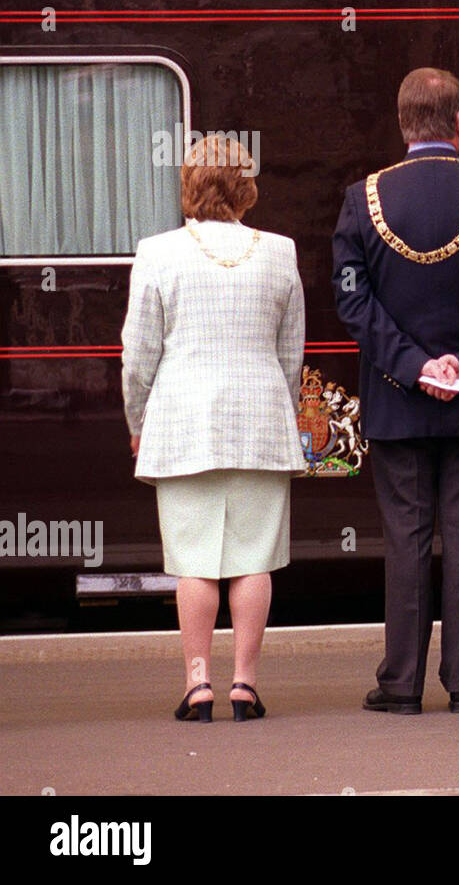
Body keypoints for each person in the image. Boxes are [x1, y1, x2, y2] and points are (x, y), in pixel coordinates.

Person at [332, 67, 459, 714]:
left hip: (397, 401)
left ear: (402, 123)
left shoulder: (361, 198)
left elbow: (352, 301)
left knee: (406, 540)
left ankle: (400, 684)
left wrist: (415, 366)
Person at [121, 134, 306, 722]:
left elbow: (137, 354)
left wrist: (136, 421)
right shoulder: (280, 251)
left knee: (194, 561)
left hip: (182, 425)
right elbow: (291, 356)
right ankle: (244, 685)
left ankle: (197, 685)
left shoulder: (157, 252)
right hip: (260, 423)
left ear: (190, 186)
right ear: (245, 188)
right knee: (254, 559)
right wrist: (283, 409)